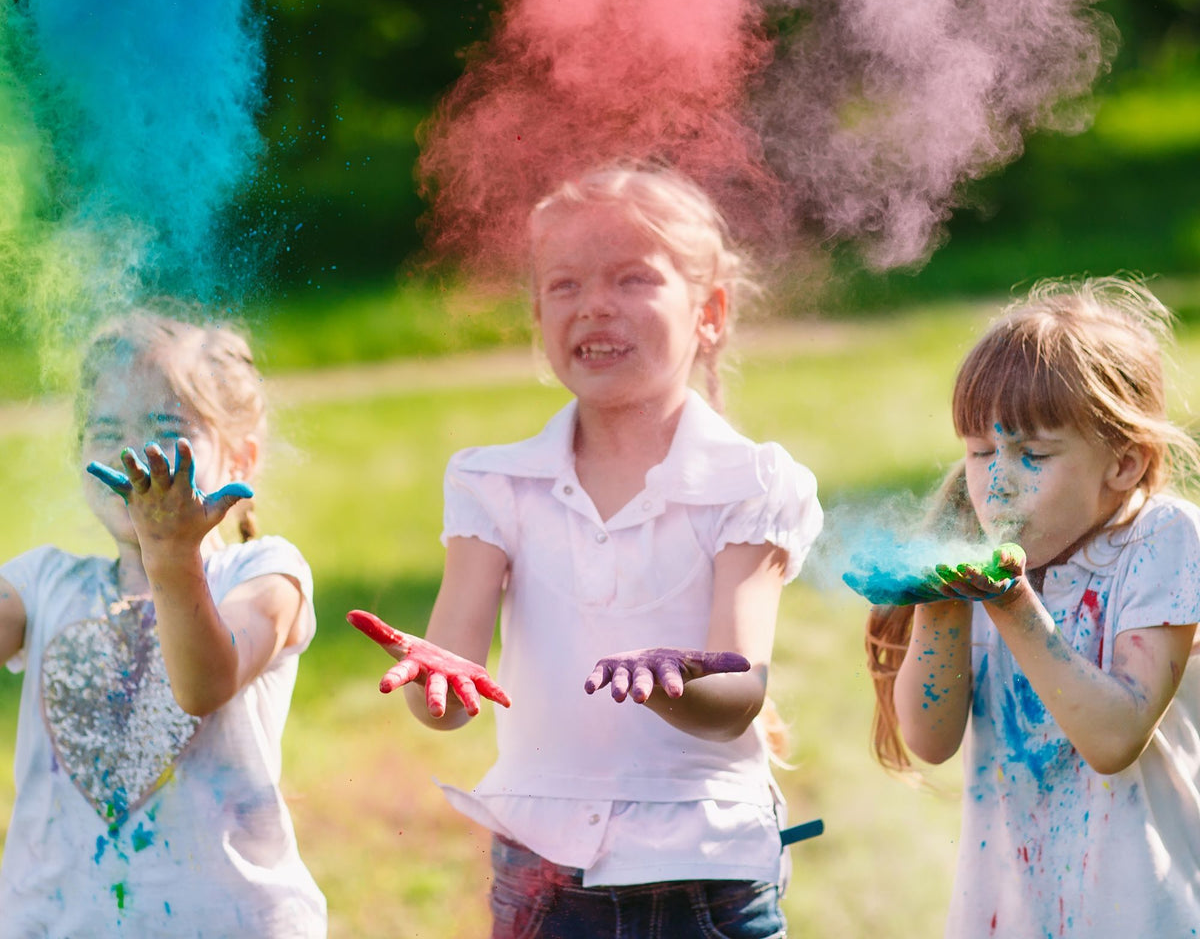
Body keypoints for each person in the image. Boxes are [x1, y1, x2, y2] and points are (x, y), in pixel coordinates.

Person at [351, 164, 823, 938]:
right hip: (542, 875)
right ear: (538, 315)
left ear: (709, 312)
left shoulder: (753, 483)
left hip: (703, 874)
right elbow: (448, 692)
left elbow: (738, 696)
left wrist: (667, 681)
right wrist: (434, 678)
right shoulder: (493, 482)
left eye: (633, 278)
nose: (595, 305)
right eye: (564, 285)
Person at [866, 278, 1200, 937]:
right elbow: (929, 742)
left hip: (1146, 917)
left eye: (1033, 455)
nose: (996, 482)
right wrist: (942, 606)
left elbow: (1112, 739)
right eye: (981, 453)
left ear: (1123, 465)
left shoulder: (1164, 540)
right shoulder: (980, 565)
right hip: (1009, 917)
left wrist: (1012, 606)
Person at [0, 311, 326, 937]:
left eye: (165, 429)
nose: (131, 453)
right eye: (105, 430)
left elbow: (204, 684)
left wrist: (171, 556)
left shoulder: (264, 574)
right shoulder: (42, 584)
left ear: (240, 458)